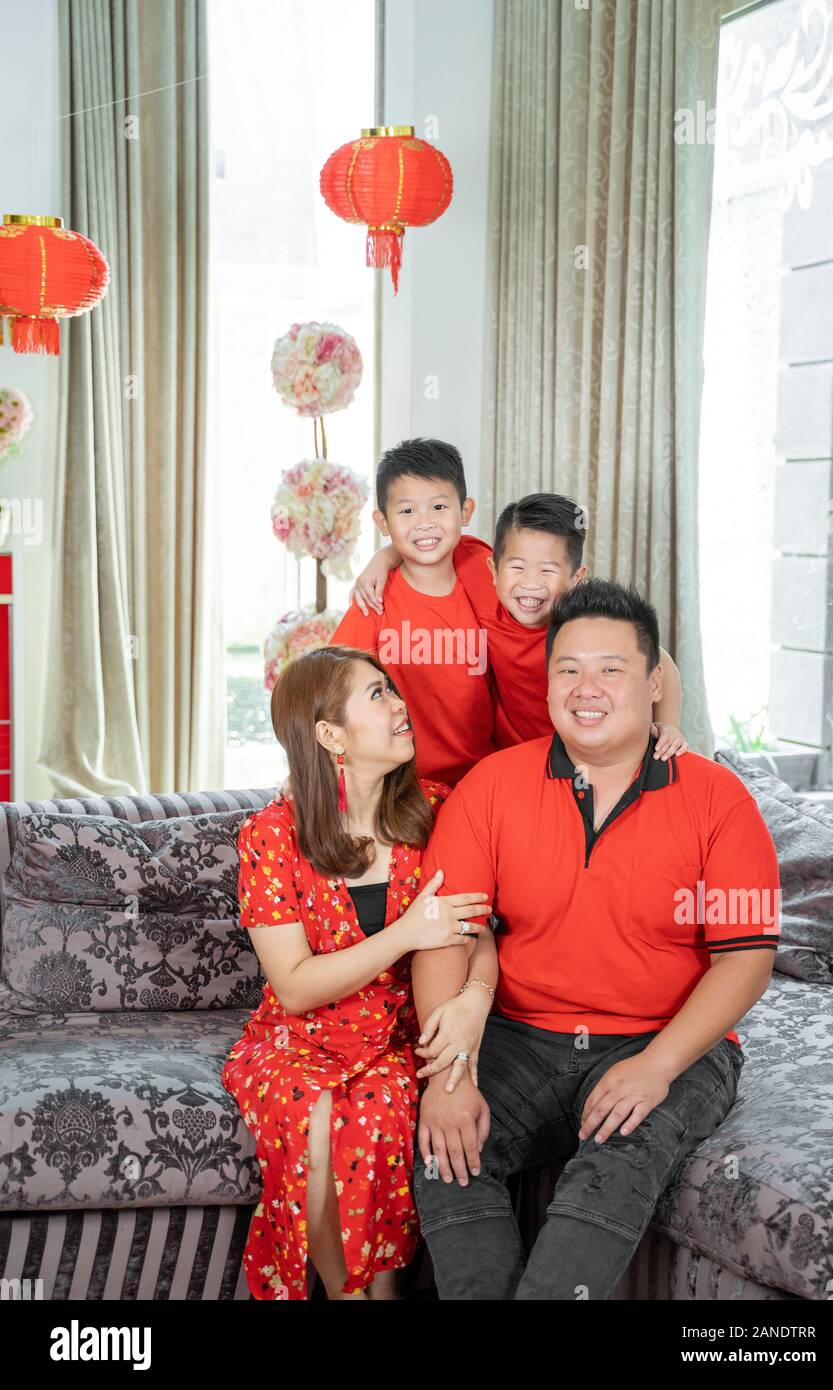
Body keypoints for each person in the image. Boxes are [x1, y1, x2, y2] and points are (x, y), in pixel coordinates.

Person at [409, 578, 781, 1300]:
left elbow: (747, 957)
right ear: (546, 684)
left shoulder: (719, 799)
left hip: (669, 1037)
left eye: (611, 669)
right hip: (521, 1032)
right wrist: (446, 1077)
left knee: (617, 1158)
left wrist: (658, 1066)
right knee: (443, 1146)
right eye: (568, 669)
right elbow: (447, 933)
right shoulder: (490, 786)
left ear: (652, 683)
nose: (588, 688)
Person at [221, 644, 497, 1300]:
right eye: (377, 695)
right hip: (299, 1040)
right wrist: (406, 932)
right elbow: (292, 985)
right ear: (329, 735)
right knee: (312, 1113)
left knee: (374, 1119)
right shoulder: (272, 837)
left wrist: (476, 997)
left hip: (397, 1039)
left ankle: (380, 1296)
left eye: (393, 689)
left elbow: (478, 929)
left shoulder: (437, 812)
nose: (401, 705)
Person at [350, 490, 688, 758]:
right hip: (511, 758)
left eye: (548, 570)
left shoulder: (583, 627)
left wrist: (667, 726)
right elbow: (429, 545)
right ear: (493, 570)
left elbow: (662, 664)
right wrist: (382, 559)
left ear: (576, 579)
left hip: (580, 751)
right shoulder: (484, 590)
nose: (530, 584)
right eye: (518, 567)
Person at [331, 438, 495, 786]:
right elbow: (329, 687)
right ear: (383, 522)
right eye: (407, 511)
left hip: (480, 778)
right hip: (400, 785)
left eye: (439, 507)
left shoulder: (486, 578)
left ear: (465, 512)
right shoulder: (374, 600)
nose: (424, 523)